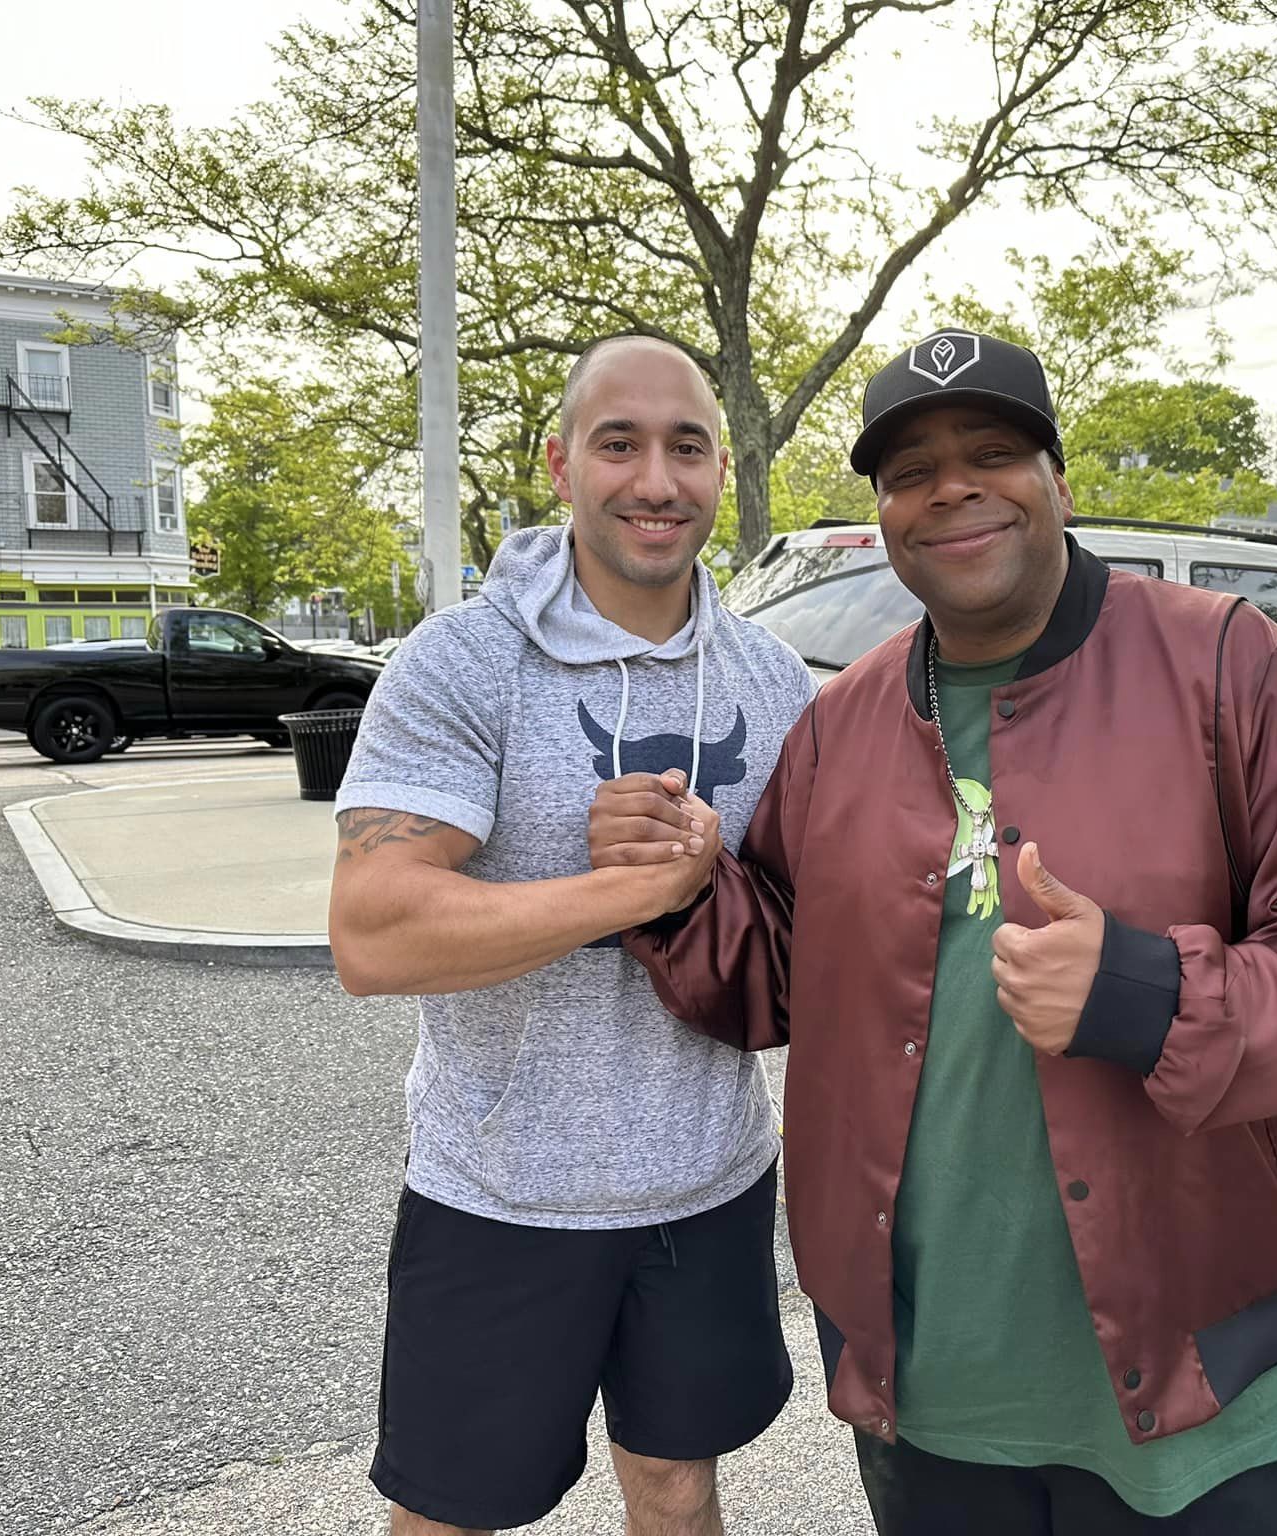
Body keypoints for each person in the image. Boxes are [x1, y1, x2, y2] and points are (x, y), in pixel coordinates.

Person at [588, 329, 1277, 1534]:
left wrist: (1147, 995)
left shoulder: (1226, 667)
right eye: (910, 472)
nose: (951, 490)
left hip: (1191, 1363)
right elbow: (777, 976)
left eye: (993, 452)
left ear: (1058, 484)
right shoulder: (844, 722)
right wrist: (683, 887)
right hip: (930, 1381)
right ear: (884, 514)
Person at [328, 334, 815, 1536]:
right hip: (501, 1194)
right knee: (450, 1513)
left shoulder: (775, 680)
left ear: (720, 472)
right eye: (619, 443)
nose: (655, 478)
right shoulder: (465, 660)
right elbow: (373, 934)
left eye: (685, 446)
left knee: (677, 1483)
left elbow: (813, 928)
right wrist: (632, 892)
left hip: (707, 1182)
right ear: (560, 464)